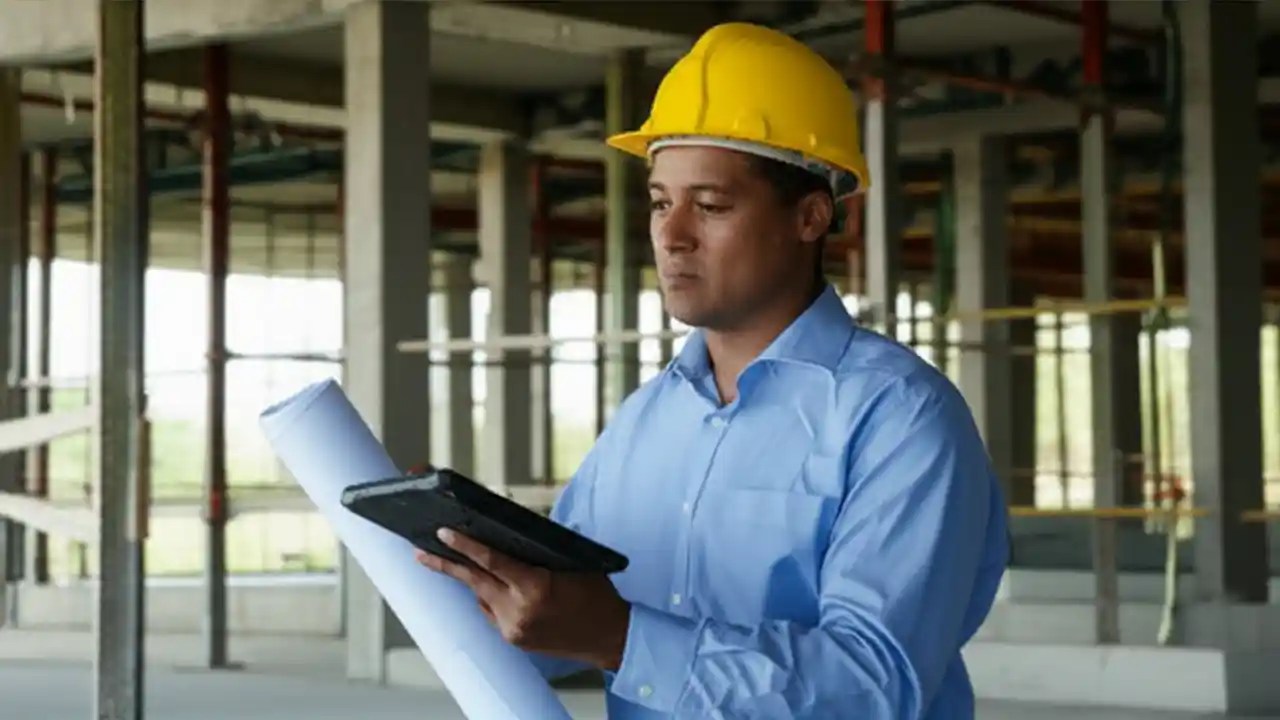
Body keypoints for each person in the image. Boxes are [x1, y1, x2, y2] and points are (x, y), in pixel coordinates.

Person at [416, 21, 1009, 719]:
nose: (671, 237)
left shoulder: (901, 417)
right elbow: (560, 632)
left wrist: (621, 640)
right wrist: (473, 577)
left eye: (711, 205)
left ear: (811, 217)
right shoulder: (645, 420)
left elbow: (872, 685)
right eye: (660, 202)